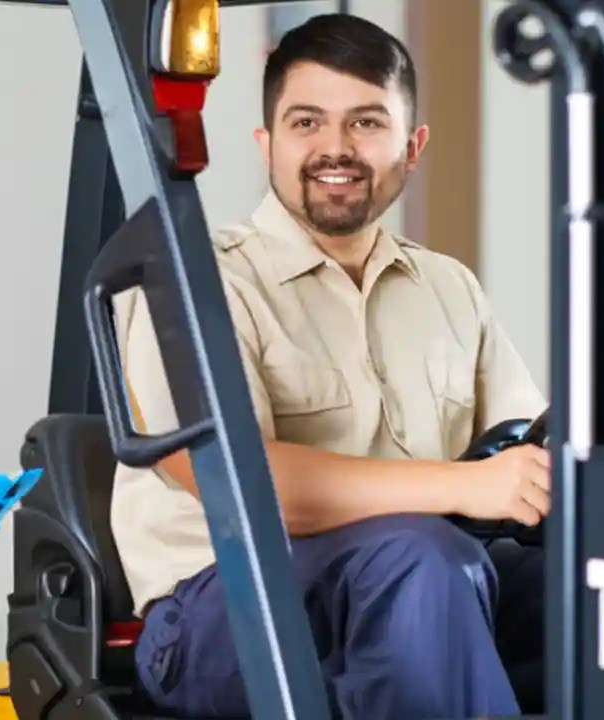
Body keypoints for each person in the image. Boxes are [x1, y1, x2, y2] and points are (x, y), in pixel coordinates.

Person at [112, 14, 549, 720]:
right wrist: (467, 486)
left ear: (413, 148)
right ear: (267, 144)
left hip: (422, 581)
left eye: (367, 124)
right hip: (223, 605)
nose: (336, 149)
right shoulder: (193, 282)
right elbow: (246, 489)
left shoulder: (448, 288)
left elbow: (518, 445)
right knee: (423, 561)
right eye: (307, 123)